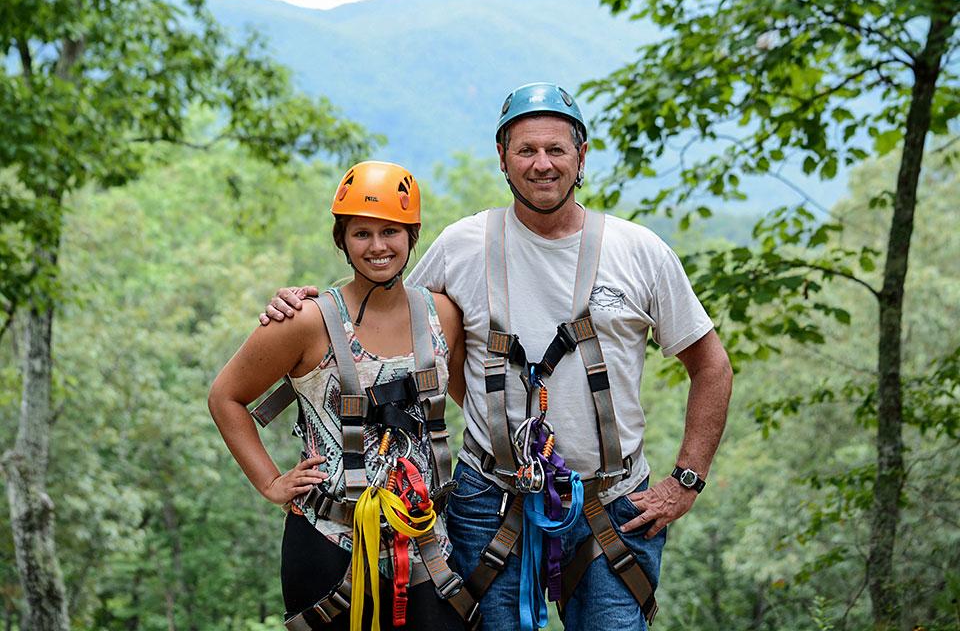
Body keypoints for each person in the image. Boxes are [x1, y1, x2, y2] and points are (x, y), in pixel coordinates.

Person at [261, 83, 733, 631]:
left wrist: (686, 481)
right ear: (502, 159)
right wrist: (305, 307)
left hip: (615, 498)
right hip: (490, 497)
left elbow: (711, 366)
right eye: (526, 150)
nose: (542, 164)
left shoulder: (637, 252)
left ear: (581, 157)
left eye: (556, 150)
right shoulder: (464, 246)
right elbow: (389, 315)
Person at [208, 161, 479, 631]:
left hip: (428, 542)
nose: (377, 247)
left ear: (412, 235)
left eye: (390, 232)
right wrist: (271, 483)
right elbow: (226, 397)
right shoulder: (305, 321)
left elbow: (470, 402)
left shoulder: (443, 316)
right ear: (342, 240)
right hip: (327, 542)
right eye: (361, 234)